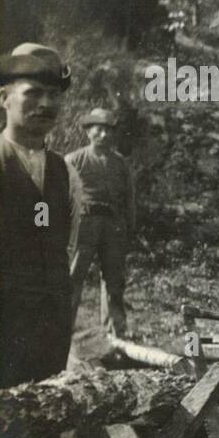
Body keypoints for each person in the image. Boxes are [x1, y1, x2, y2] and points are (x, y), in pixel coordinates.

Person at [0, 43, 81, 438]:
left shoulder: (63, 172)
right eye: (33, 93)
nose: (45, 104)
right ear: (4, 98)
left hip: (48, 332)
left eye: (53, 94)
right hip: (0, 331)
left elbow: (67, 249)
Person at [66, 108, 135, 340]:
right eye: (99, 129)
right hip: (84, 225)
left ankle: (116, 335)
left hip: (113, 226)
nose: (104, 135)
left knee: (114, 281)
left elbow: (129, 198)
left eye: (108, 130)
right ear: (88, 131)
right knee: (73, 278)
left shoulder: (120, 163)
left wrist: (128, 227)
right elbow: (63, 197)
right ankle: (61, 332)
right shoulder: (75, 160)